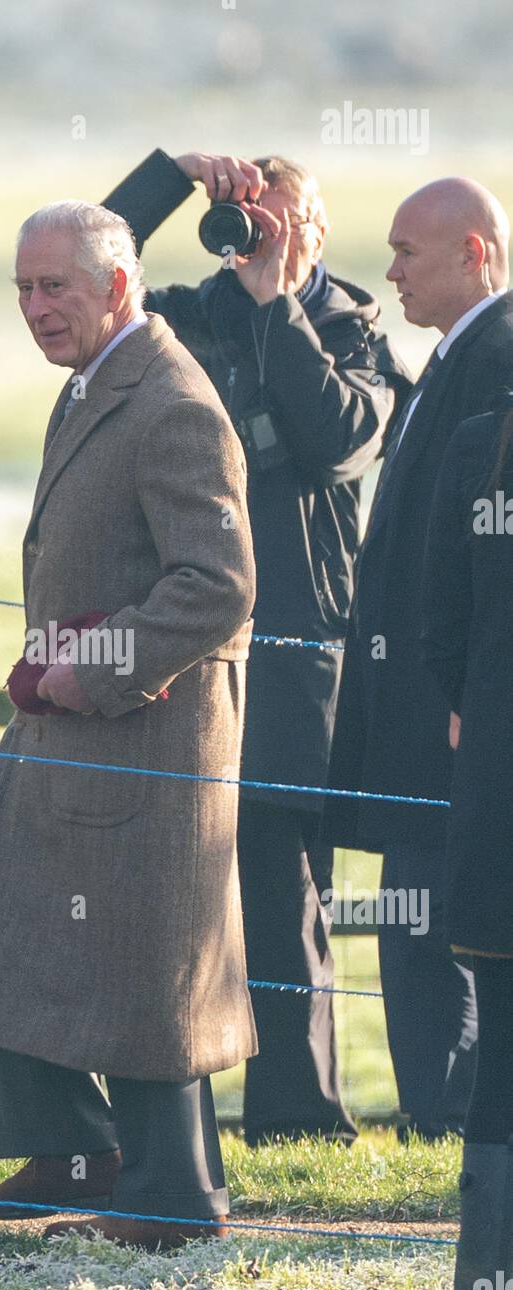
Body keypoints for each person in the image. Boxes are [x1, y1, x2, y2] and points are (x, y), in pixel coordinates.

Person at [0, 200, 257, 1249]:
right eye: (23, 290)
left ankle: (174, 1200)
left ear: (117, 290)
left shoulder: (170, 399)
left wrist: (89, 669)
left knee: (143, 967)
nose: (36, 310)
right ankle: (70, 1154)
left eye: (57, 290)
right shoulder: (96, 379)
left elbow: (216, 586)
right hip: (73, 741)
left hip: (143, 745)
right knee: (1, 924)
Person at [103, 148, 410, 1146]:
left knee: (279, 884)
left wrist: (274, 300)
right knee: (164, 883)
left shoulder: (357, 337)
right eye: (238, 216)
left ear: (313, 229)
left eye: (269, 217)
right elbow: (87, 267)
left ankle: (293, 1116)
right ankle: (169, 1129)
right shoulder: (188, 318)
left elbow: (330, 440)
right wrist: (168, 177)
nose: (250, 233)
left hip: (294, 647)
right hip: (184, 636)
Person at [323, 178, 513, 1141]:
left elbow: (487, 554)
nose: (389, 271)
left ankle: (449, 1111)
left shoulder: (501, 353)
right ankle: (438, 1108)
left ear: (476, 253)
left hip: (459, 706)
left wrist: (467, 689)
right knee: (417, 907)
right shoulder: (456, 353)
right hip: (434, 696)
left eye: (409, 252)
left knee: (443, 911)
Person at [422, 402, 513, 1290]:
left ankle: (488, 1280)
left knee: (504, 1049)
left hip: (497, 786)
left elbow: (439, 627)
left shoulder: (479, 442)